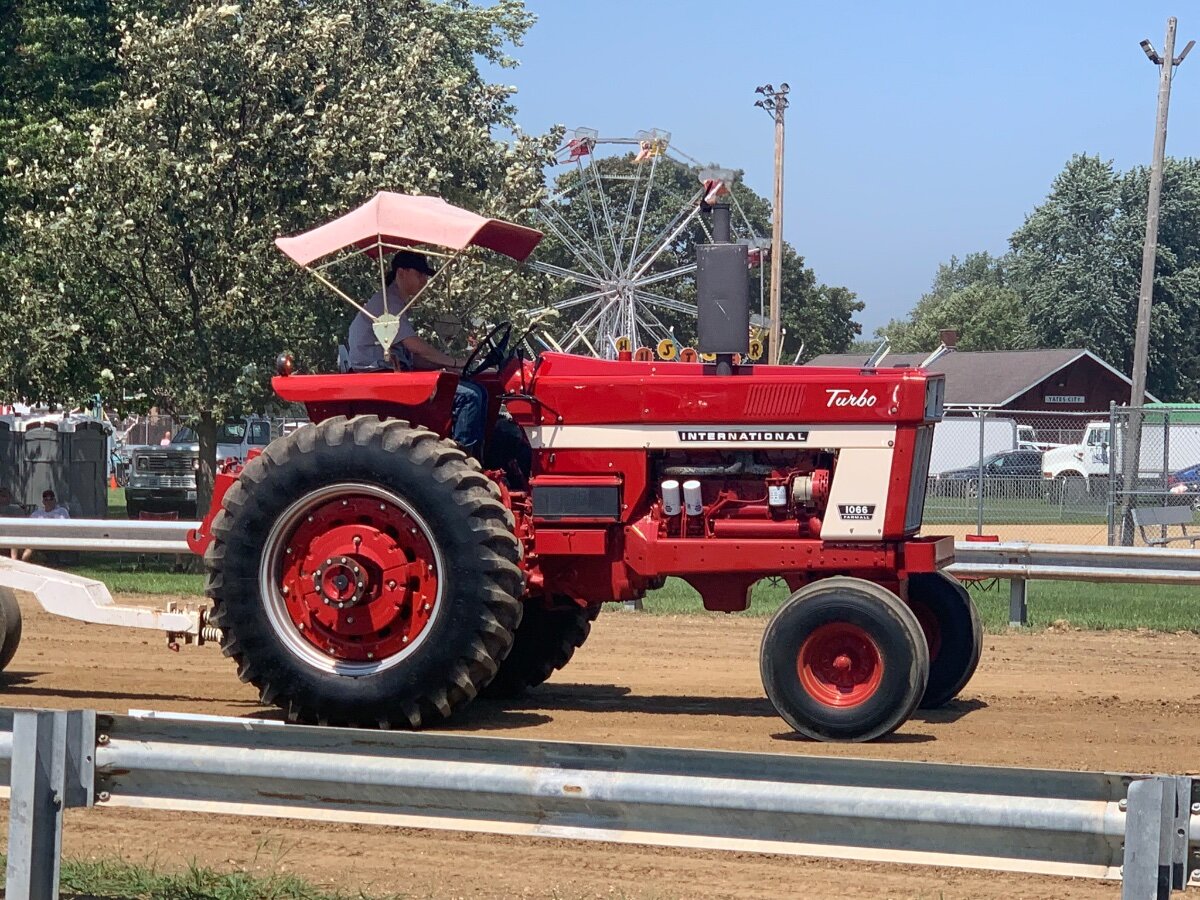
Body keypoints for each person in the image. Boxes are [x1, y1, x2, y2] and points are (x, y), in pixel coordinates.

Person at [347, 250, 487, 456]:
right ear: (401, 273)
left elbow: (413, 357)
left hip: (391, 372)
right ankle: (464, 458)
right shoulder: (387, 303)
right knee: (470, 396)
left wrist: (446, 367)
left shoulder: (396, 303)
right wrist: (456, 362)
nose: (424, 280)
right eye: (420, 274)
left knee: (476, 390)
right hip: (377, 375)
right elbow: (413, 345)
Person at [21, 489, 69, 561]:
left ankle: (22, 563)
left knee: (31, 546)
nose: (49, 501)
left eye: (51, 499)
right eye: (46, 499)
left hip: (56, 537)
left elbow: (65, 526)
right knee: (18, 542)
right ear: (43, 501)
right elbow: (28, 526)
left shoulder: (61, 511)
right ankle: (18, 563)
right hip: (39, 537)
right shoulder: (37, 513)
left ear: (55, 500)